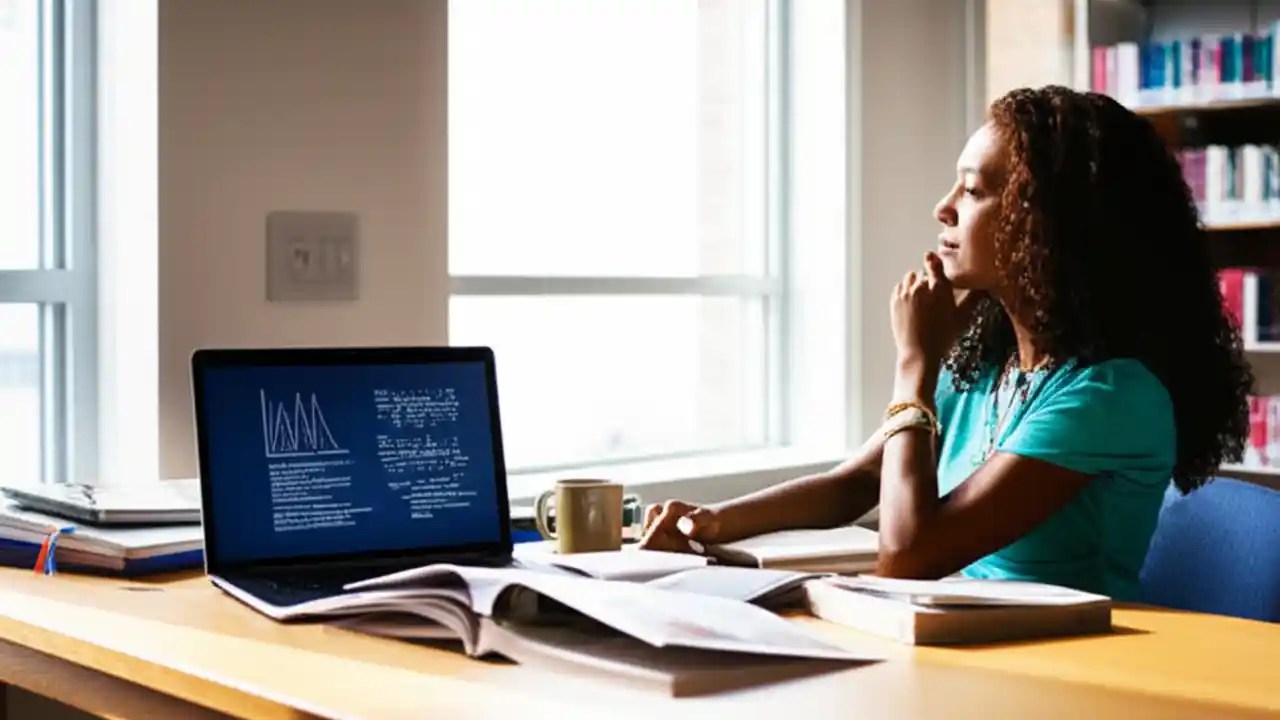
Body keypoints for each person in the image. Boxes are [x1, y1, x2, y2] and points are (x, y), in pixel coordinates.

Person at [639, 85, 1254, 600]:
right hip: (959, 641)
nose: (943, 208)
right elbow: (857, 483)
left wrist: (914, 364)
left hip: (1065, 672)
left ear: (1046, 222)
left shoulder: (1112, 394)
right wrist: (710, 524)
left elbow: (909, 556)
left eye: (974, 190)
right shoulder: (988, 364)